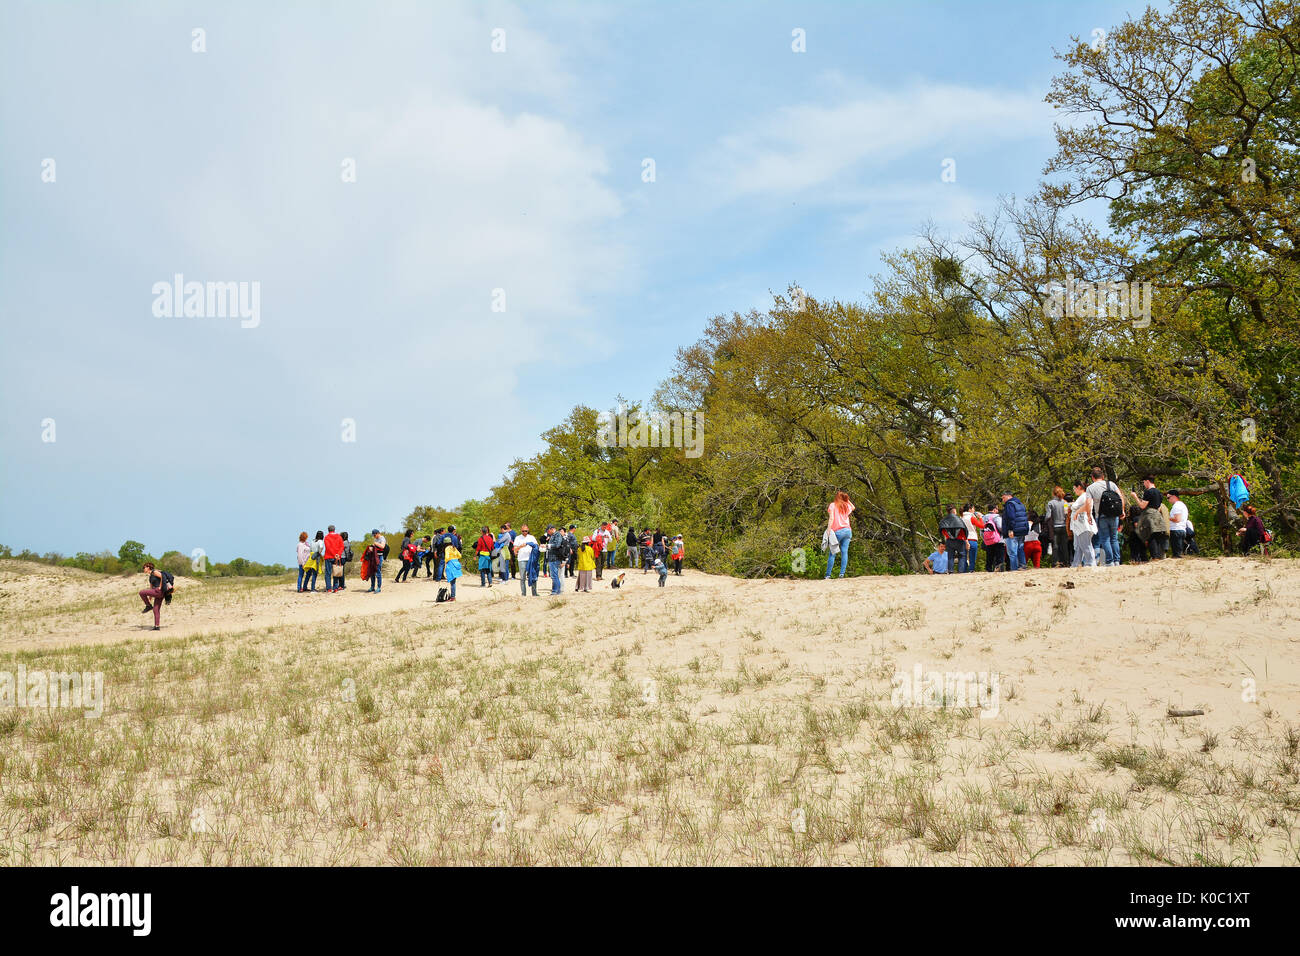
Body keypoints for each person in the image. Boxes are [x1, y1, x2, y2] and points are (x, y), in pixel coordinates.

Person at [1087, 468, 1124, 567]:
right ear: (1102, 476)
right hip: (1114, 515)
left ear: (1092, 477)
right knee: (1114, 538)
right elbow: (1120, 497)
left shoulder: (1090, 488)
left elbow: (1088, 503)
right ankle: (1117, 561)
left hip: (1101, 515)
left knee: (1105, 539)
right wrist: (1122, 511)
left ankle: (1109, 561)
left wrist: (1089, 516)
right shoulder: (1111, 484)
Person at [1128, 476, 1167, 559]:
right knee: (1157, 535)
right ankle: (1159, 556)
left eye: (1144, 482)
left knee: (1150, 536)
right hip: (1158, 515)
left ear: (1147, 481)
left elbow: (1142, 506)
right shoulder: (1159, 492)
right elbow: (1159, 506)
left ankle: (1154, 556)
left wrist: (1135, 496)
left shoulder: (1148, 492)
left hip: (1149, 515)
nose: (1144, 484)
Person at [825, 491, 854, 579]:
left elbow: (831, 518)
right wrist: (847, 500)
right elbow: (853, 507)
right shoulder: (846, 506)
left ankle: (828, 575)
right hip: (847, 531)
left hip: (837, 531)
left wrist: (828, 530)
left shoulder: (832, 505)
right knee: (844, 552)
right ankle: (841, 574)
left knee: (832, 553)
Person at [1069, 480, 1098, 567]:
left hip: (1083, 525)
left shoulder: (1085, 496)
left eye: (1074, 488)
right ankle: (1076, 563)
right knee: (1078, 546)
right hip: (1078, 526)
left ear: (1079, 487)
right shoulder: (1082, 497)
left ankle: (1091, 563)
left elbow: (1087, 505)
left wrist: (1077, 511)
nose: (1074, 490)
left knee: (1086, 545)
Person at [138, 561, 173, 630]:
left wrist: (160, 586)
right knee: (156, 609)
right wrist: (150, 596)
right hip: (157, 593)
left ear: (148, 567)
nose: (143, 569)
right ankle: (157, 626)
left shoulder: (154, 572)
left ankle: (148, 606)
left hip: (158, 591)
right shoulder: (150, 576)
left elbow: (162, 577)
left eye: (144, 567)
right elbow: (151, 587)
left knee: (141, 592)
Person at [1000, 492, 1029, 571]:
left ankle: (1014, 568)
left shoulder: (1010, 504)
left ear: (1009, 496)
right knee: (1020, 549)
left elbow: (1010, 517)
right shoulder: (1020, 504)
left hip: (1013, 530)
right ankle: (1023, 566)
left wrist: (1010, 529)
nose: (1003, 500)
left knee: (1012, 552)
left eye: (1003, 498)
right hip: (1022, 530)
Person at [1046, 487, 1071, 568]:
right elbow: (1067, 514)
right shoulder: (1065, 503)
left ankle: (1055, 562)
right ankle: (1066, 562)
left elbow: (1048, 516)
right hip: (1064, 526)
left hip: (1055, 526)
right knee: (1064, 545)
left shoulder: (1050, 503)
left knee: (1055, 545)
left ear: (1053, 493)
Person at [514, 525, 539, 596]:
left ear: (528, 530)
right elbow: (515, 550)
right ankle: (523, 594)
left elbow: (537, 546)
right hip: (522, 559)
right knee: (522, 578)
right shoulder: (517, 538)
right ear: (521, 530)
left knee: (533, 576)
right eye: (523, 531)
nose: (524, 532)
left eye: (526, 531)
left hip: (531, 559)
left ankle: (534, 593)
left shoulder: (532, 537)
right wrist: (521, 546)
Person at [960, 504, 983, 573]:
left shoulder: (961, 517)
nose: (974, 510)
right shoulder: (971, 518)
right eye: (973, 509)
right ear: (970, 509)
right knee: (972, 557)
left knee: (963, 557)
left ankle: (963, 570)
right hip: (972, 538)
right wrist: (980, 518)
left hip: (963, 539)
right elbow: (981, 526)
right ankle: (971, 570)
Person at [1167, 492, 1189, 558]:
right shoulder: (1181, 505)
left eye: (1168, 497)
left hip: (1176, 530)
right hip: (1180, 529)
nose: (1168, 500)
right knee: (1178, 552)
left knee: (1177, 555)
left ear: (1174, 496)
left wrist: (1166, 517)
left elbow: (1177, 519)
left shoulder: (1177, 505)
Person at [982, 507, 1005, 571]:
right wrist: (1004, 533)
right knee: (999, 557)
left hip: (988, 540)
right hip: (998, 540)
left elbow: (982, 529)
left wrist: (984, 538)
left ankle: (988, 569)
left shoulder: (983, 518)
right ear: (994, 509)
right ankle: (999, 569)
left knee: (989, 556)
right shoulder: (996, 517)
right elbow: (1000, 527)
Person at [323, 525, 344, 593]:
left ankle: (329, 588)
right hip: (337, 557)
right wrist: (338, 554)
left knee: (328, 573)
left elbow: (328, 547)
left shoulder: (326, 537)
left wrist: (333, 554)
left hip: (328, 556)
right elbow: (342, 546)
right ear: (334, 529)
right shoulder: (339, 537)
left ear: (328, 530)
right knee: (336, 572)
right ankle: (335, 588)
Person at [546, 525, 566, 594]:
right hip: (552, 558)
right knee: (554, 576)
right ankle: (557, 591)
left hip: (554, 558)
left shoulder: (557, 534)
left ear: (551, 529)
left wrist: (548, 545)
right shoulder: (553, 535)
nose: (548, 533)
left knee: (554, 576)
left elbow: (557, 545)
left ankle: (555, 591)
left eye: (548, 531)